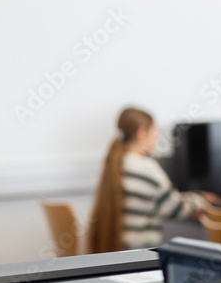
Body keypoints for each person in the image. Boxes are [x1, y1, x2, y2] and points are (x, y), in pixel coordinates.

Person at [87, 107, 213, 253]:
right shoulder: (145, 167)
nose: (155, 141)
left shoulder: (117, 162)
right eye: (154, 135)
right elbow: (177, 208)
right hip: (139, 255)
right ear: (141, 134)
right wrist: (202, 201)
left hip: (119, 251)